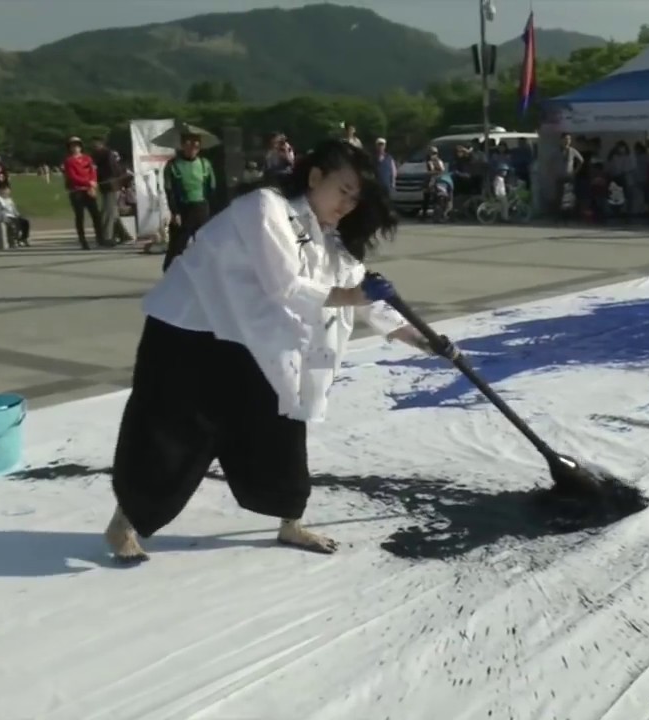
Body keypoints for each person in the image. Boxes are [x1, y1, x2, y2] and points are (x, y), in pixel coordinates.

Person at [105, 140, 458, 562]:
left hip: (254, 339)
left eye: (355, 198)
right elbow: (286, 286)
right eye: (342, 190)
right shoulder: (264, 207)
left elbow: (371, 302)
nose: (347, 204)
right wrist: (353, 293)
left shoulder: (330, 239)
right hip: (192, 331)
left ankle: (290, 520)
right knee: (172, 431)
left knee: (278, 426)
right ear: (314, 177)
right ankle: (125, 523)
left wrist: (423, 340)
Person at [162, 128, 217, 270]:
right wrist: (175, 212)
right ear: (182, 145)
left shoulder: (205, 164)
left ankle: (204, 272)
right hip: (182, 209)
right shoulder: (173, 165)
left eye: (196, 143)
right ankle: (170, 274)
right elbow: (169, 190)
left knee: (204, 244)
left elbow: (212, 188)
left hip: (202, 208)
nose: (193, 147)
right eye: (189, 143)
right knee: (177, 246)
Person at [92, 136, 134, 246]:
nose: (95, 144)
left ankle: (107, 237)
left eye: (97, 142)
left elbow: (113, 169)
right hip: (106, 185)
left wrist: (114, 180)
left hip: (111, 185)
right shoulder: (97, 154)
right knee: (113, 212)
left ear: (102, 143)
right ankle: (124, 235)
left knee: (108, 211)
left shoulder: (106, 153)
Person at [63, 136, 103, 250]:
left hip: (89, 190)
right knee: (80, 216)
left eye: (77, 145)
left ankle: (100, 238)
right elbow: (72, 176)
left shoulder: (87, 158)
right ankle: (83, 240)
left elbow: (92, 171)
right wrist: (88, 182)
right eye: (73, 146)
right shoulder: (69, 161)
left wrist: (93, 182)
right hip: (77, 191)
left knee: (96, 215)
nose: (75, 148)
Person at [0, 182, 30, 247]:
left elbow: (14, 209)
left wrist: (18, 215)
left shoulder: (9, 199)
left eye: (7, 190)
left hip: (12, 216)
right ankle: (13, 240)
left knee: (25, 222)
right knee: (13, 224)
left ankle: (23, 238)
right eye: (3, 189)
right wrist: (3, 217)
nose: (5, 191)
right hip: (4, 217)